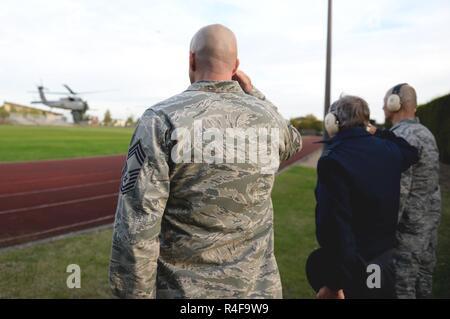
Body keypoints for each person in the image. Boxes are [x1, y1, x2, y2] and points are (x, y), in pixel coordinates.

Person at [109, 24, 302, 298]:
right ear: (235, 67)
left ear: (191, 59)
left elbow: (137, 225)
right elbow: (293, 140)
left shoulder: (161, 119)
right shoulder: (268, 118)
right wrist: (255, 93)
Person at [306, 95, 418, 299]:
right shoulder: (389, 149)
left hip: (355, 267)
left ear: (333, 121)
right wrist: (377, 132)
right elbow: (411, 151)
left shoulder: (333, 160)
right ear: (366, 122)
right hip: (385, 262)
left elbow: (334, 229)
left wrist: (333, 284)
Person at [383, 83, 441, 299]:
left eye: (385, 100)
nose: (382, 106)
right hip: (427, 230)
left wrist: (383, 232)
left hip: (406, 235)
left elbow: (399, 192)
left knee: (402, 290)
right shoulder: (426, 133)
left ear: (395, 103)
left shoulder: (402, 138)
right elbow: (433, 188)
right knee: (424, 286)